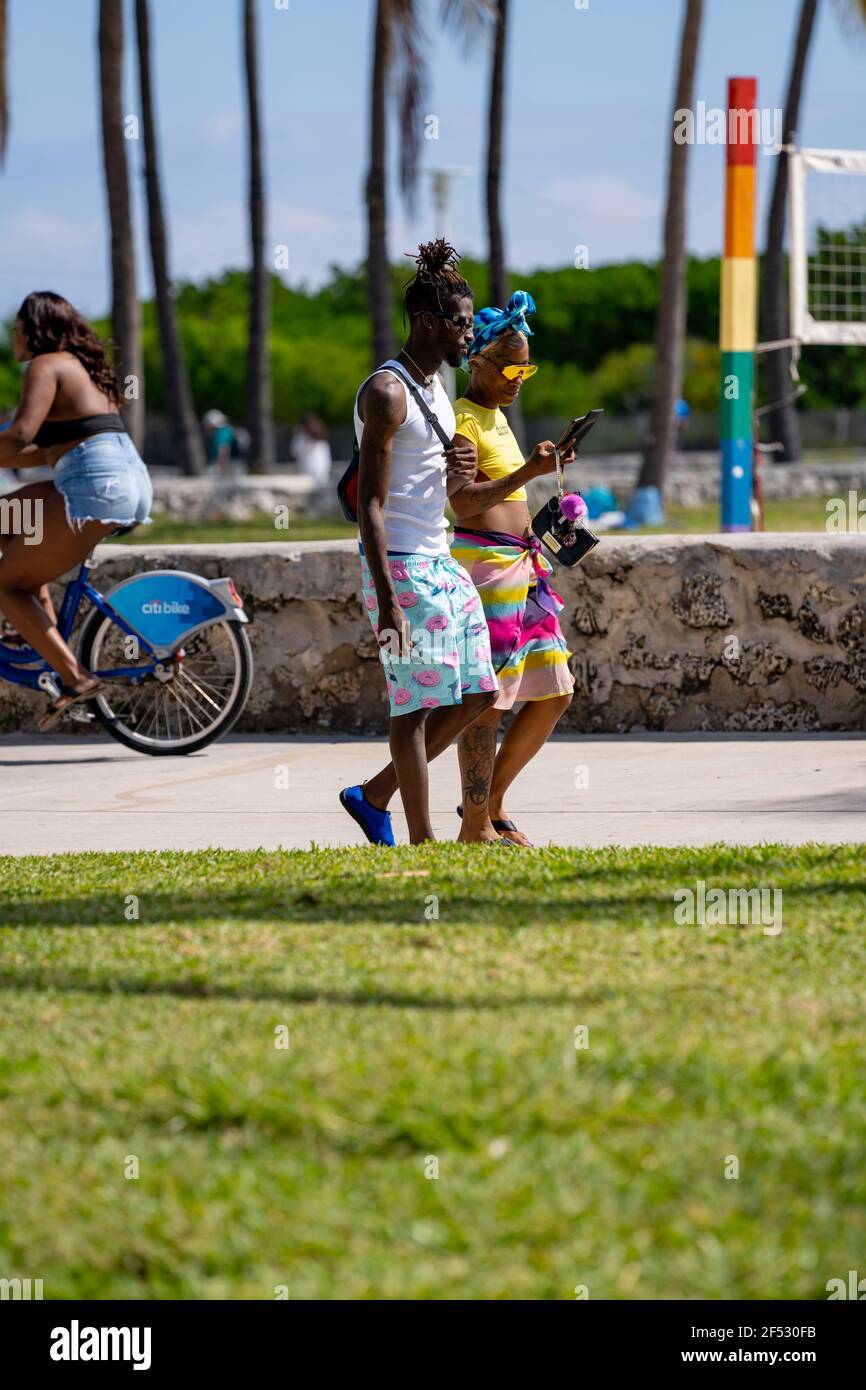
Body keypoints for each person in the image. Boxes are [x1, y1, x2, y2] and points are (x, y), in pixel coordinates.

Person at [339, 239, 502, 846]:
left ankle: (373, 795)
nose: (471, 336)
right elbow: (371, 504)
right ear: (430, 322)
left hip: (441, 557)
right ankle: (420, 838)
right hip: (403, 566)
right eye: (462, 324)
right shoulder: (387, 391)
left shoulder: (436, 386)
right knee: (411, 705)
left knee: (481, 691)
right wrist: (386, 601)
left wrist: (459, 468)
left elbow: (442, 491)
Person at [448, 290, 576, 846]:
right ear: (476, 361)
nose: (519, 376)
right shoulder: (465, 419)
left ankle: (490, 805)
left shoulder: (497, 416)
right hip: (486, 570)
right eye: (508, 366)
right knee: (487, 702)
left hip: (524, 570)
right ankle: (476, 825)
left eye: (527, 366)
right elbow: (464, 502)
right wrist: (530, 471)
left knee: (554, 690)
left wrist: (544, 468)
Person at [0, 291, 153, 729]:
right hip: (116, 481)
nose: (12, 336)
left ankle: (75, 677)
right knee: (7, 520)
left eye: (16, 328)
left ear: (33, 330)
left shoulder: (45, 365)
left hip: (95, 488)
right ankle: (32, 631)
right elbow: (34, 452)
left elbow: (20, 434)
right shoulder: (78, 368)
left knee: (7, 585)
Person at [292, 412, 332, 488]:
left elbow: (325, 461)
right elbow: (295, 452)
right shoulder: (300, 438)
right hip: (305, 477)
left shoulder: (322, 442)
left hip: (322, 478)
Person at [202, 409, 237, 476]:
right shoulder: (225, 431)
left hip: (230, 467)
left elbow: (223, 451)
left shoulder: (222, 433)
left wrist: (222, 471)